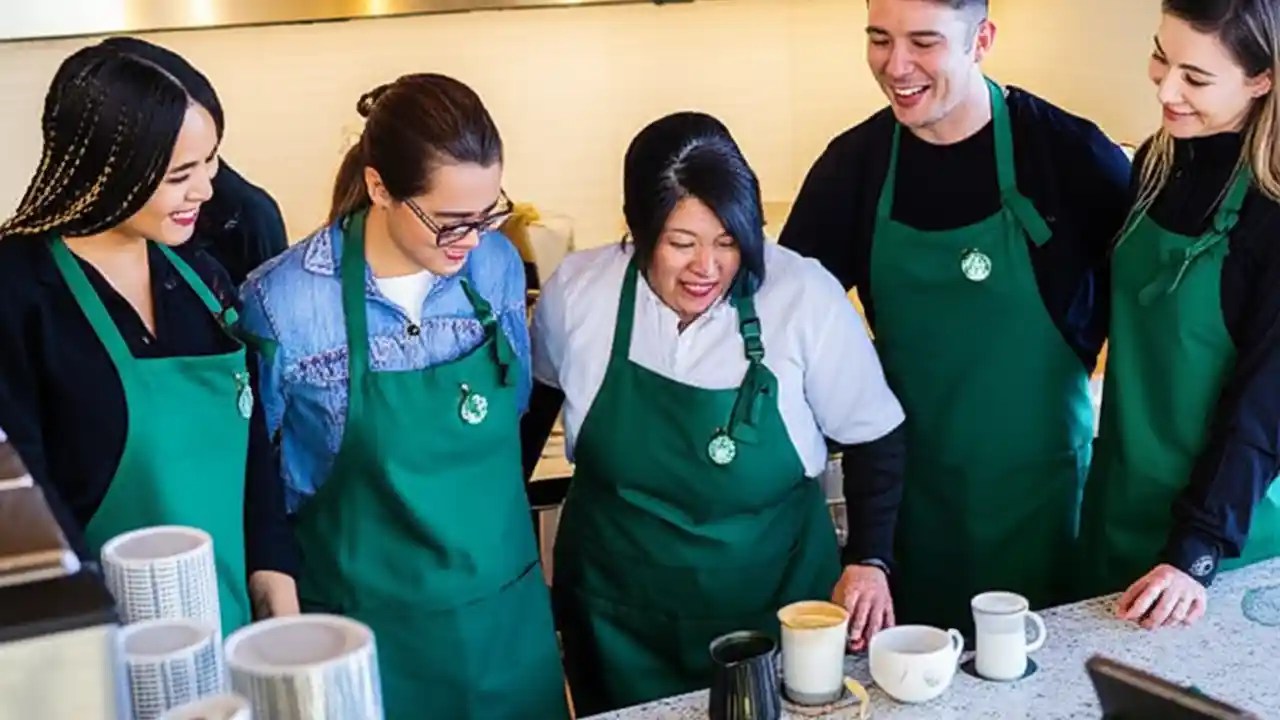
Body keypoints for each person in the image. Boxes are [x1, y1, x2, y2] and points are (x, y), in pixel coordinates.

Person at [529, 111, 907, 715]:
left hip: (774, 612)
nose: (707, 267)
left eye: (729, 241)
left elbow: (874, 438)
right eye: (681, 243)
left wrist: (869, 560)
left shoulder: (802, 295)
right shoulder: (580, 292)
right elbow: (529, 412)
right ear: (637, 229)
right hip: (617, 617)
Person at [778, 0, 1133, 634]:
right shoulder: (853, 167)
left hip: (1046, 505)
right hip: (910, 511)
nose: (896, 65)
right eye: (879, 40)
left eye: (923, 42)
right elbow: (786, 329)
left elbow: (1146, 314)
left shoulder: (1070, 156)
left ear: (982, 39)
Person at [239, 74, 568, 719]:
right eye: (449, 222)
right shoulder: (285, 305)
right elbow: (259, 494)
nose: (471, 242)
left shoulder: (497, 269)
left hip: (506, 627)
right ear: (380, 187)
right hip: (370, 646)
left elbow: (517, 407)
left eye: (486, 215)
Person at [0, 43, 299, 634]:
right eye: (179, 176)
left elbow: (252, 466)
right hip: (97, 649)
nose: (206, 192)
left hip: (233, 634)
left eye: (210, 164)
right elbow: (23, 512)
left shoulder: (203, 280)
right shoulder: (18, 291)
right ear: (106, 168)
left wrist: (276, 596)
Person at [1078, 0, 1280, 628]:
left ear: (1262, 79)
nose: (1166, 88)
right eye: (1162, 57)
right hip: (1121, 507)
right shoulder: (1156, 165)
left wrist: (1196, 549)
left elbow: (1264, 405)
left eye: (1195, 78)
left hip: (1224, 540)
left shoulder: (1271, 213)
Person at [100, 36, 289, 286]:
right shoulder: (39, 279)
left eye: (210, 158)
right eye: (179, 175)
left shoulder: (247, 218)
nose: (205, 191)